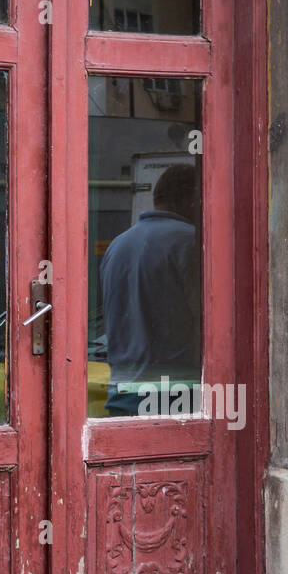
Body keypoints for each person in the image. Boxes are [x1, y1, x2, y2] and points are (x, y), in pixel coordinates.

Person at [99, 162, 200, 417]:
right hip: (174, 395)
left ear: (156, 199)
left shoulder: (118, 245)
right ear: (193, 200)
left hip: (123, 393)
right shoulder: (190, 243)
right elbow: (207, 319)